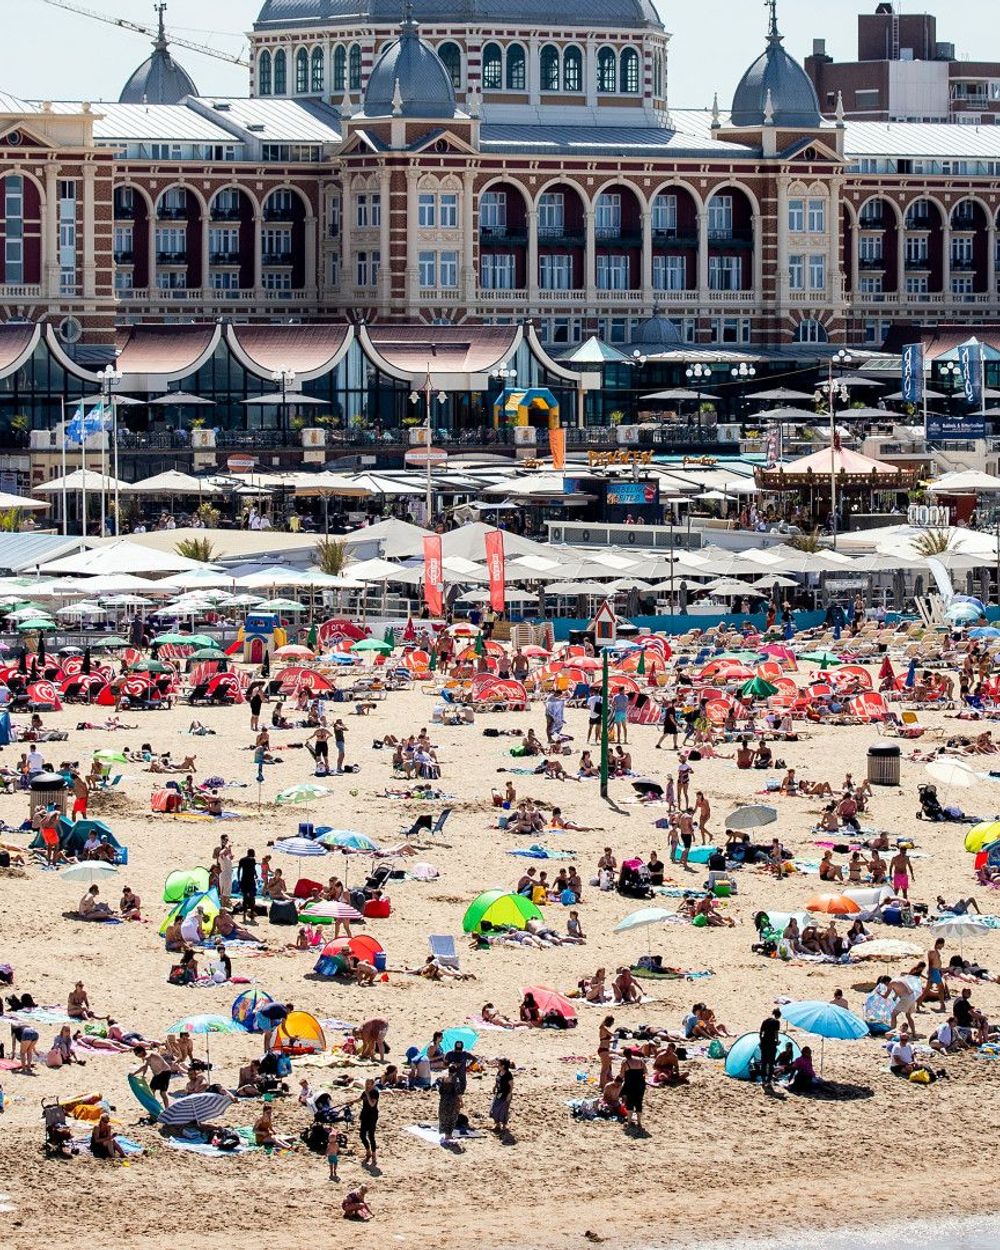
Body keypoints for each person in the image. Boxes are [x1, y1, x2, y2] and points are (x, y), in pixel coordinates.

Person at [619, 1047, 647, 1129]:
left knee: (630, 1102)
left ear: (625, 1055)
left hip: (630, 1084)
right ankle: (639, 1123)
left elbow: (621, 1075)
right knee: (639, 1102)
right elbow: (645, 1072)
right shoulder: (640, 1060)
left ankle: (629, 1122)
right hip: (640, 1084)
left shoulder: (625, 1063)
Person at [357, 1078, 379, 1167]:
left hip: (372, 1117)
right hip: (364, 1115)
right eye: (366, 1084)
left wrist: (368, 1095)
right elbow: (359, 1099)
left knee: (371, 1136)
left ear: (372, 1084)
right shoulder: (364, 1092)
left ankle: (374, 1155)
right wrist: (351, 1102)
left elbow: (372, 1104)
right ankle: (368, 1151)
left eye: (369, 1084)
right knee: (362, 1135)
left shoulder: (375, 1092)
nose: (367, 1085)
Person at [438, 1064, 463, 1142]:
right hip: (453, 1101)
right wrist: (461, 1101)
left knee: (444, 1116)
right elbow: (458, 1092)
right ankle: (449, 1135)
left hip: (444, 1100)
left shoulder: (443, 1079)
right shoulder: (455, 1079)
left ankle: (446, 1134)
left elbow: (440, 1090)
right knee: (452, 1117)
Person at [758, 1008, 781, 1090]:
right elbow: (776, 1033)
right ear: (778, 1015)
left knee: (763, 1062)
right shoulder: (776, 1022)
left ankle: (763, 1080)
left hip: (764, 1044)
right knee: (771, 1063)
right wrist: (777, 1041)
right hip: (771, 1044)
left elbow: (761, 1033)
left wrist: (761, 1041)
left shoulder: (765, 1021)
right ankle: (769, 1081)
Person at [490, 1057, 514, 1133]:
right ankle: (497, 1125)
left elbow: (511, 1085)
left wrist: (509, 1095)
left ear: (503, 1066)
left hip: (505, 1095)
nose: (497, 1065)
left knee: (503, 1111)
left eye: (498, 1064)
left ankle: (504, 1126)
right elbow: (498, 1080)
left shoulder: (508, 1074)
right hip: (499, 1093)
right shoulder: (499, 1072)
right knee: (494, 1109)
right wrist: (494, 1087)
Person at [237, 848, 258, 924]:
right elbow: (253, 869)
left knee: (245, 898)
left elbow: (239, 870)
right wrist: (256, 875)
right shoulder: (252, 860)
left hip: (244, 881)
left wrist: (238, 879)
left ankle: (244, 916)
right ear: (252, 853)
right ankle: (252, 915)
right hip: (251, 881)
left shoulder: (242, 860)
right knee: (252, 898)